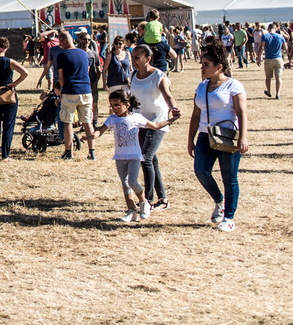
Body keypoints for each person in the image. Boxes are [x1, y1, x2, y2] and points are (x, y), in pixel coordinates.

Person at [188, 45, 249, 231]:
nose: (202, 68)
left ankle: (229, 217)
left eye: (206, 65)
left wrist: (243, 138)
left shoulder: (234, 85)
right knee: (201, 171)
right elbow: (196, 115)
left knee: (229, 177)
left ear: (219, 67)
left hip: (227, 137)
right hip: (205, 135)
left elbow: (241, 113)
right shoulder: (201, 86)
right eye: (202, 64)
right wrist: (190, 139)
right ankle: (219, 201)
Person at [103, 89, 178, 222]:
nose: (114, 108)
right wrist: (91, 135)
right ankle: (131, 211)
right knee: (125, 185)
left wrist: (172, 119)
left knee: (132, 182)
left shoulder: (136, 117)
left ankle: (144, 202)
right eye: (112, 105)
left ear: (127, 105)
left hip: (134, 156)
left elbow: (155, 126)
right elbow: (100, 131)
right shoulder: (112, 119)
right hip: (120, 157)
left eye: (117, 105)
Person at [127, 44, 179, 212]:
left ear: (148, 59)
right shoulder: (134, 75)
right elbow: (133, 98)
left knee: (146, 157)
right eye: (132, 57)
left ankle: (147, 201)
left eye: (137, 57)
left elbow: (167, 95)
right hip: (140, 122)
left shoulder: (158, 76)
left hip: (158, 122)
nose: (133, 60)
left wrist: (174, 108)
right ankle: (162, 199)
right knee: (151, 160)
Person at [55, 31, 97, 160]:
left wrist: (61, 90)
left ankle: (69, 152)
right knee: (87, 122)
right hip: (86, 90)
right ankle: (92, 152)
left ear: (62, 42)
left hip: (70, 91)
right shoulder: (84, 54)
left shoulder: (62, 56)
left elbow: (61, 77)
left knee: (67, 122)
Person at [261, 22, 286, 98]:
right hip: (278, 58)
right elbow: (285, 48)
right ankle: (277, 94)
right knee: (278, 77)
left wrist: (259, 57)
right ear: (275, 29)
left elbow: (262, 47)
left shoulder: (265, 36)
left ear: (268, 29)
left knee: (268, 77)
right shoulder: (280, 36)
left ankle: (269, 91)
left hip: (268, 59)